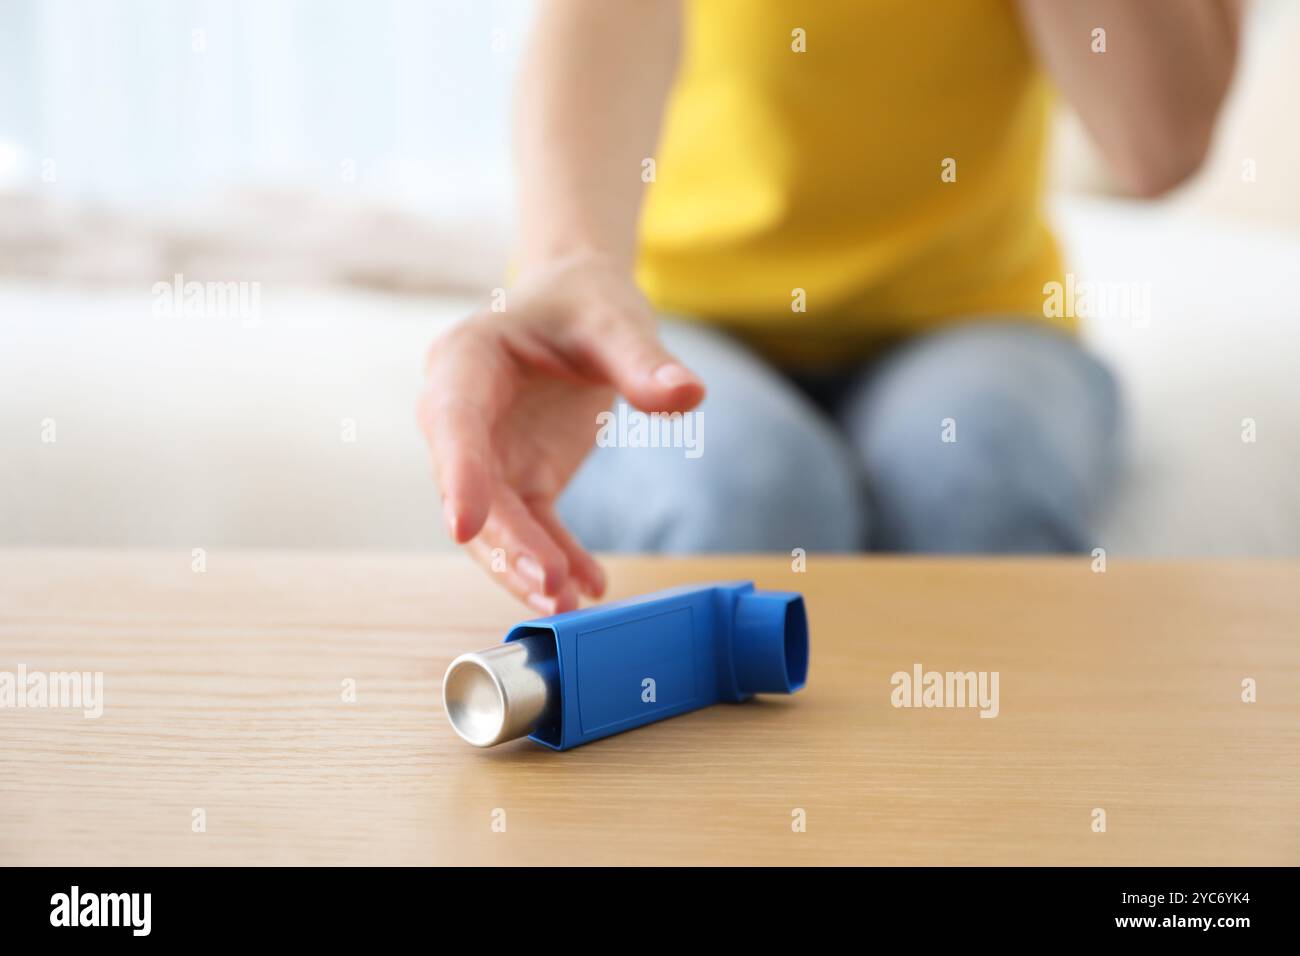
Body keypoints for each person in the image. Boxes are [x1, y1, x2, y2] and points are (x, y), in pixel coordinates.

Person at [418, 0, 1240, 614]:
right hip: (667, 312)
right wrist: (571, 267)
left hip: (971, 311)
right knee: (749, 502)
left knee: (977, 484)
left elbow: (1157, 144)